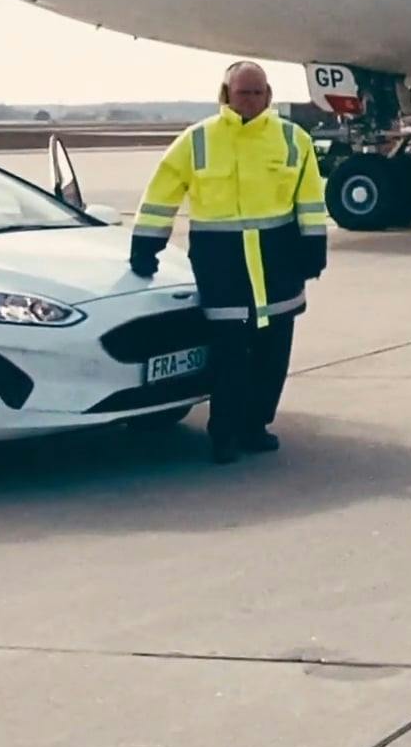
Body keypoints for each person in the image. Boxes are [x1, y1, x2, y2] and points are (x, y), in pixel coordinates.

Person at [130, 61, 330, 464]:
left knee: (273, 356)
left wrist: (313, 247)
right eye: (243, 92)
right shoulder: (197, 140)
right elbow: (162, 194)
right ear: (225, 95)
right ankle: (223, 434)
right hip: (224, 266)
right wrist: (146, 245)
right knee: (229, 357)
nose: (251, 100)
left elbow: (310, 199)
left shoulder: (294, 139)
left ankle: (256, 427)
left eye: (258, 92)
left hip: (278, 264)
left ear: (269, 96)